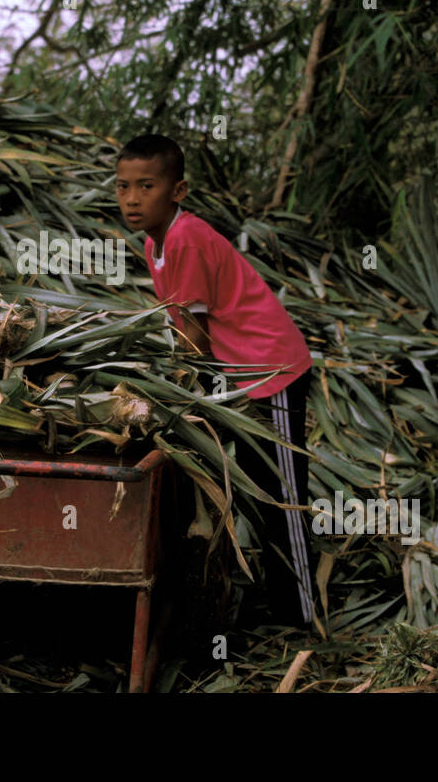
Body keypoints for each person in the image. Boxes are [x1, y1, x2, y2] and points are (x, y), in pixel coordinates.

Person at [115, 134, 317, 625]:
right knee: (259, 491)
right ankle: (281, 602)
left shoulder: (185, 237)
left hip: (271, 373)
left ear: (178, 190)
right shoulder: (154, 242)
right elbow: (179, 322)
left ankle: (307, 618)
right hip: (240, 378)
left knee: (283, 498)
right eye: (122, 187)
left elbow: (194, 336)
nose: (133, 199)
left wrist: (181, 393)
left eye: (146, 186)